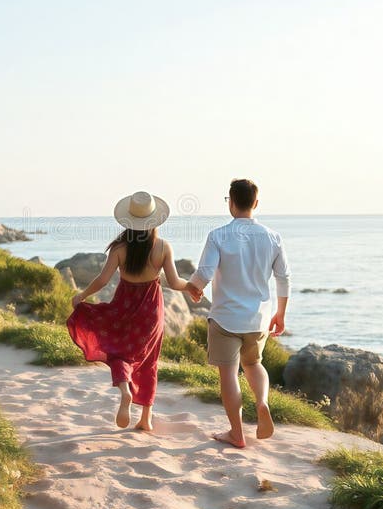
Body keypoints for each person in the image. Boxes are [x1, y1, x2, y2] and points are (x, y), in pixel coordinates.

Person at [67, 191, 198, 432]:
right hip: (151, 311)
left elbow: (103, 280)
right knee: (149, 360)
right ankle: (146, 418)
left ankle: (125, 389)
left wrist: (82, 296)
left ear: (128, 221)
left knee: (119, 353)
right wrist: (190, 287)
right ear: (154, 220)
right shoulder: (163, 247)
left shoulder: (119, 248)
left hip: (123, 307)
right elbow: (175, 282)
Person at [187, 179, 291, 448]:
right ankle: (263, 402)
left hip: (225, 318)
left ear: (231, 203)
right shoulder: (273, 236)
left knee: (229, 374)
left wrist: (194, 288)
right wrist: (280, 314)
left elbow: (205, 273)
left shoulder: (218, 235)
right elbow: (283, 278)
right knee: (254, 364)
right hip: (257, 319)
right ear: (255, 203)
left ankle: (236, 433)